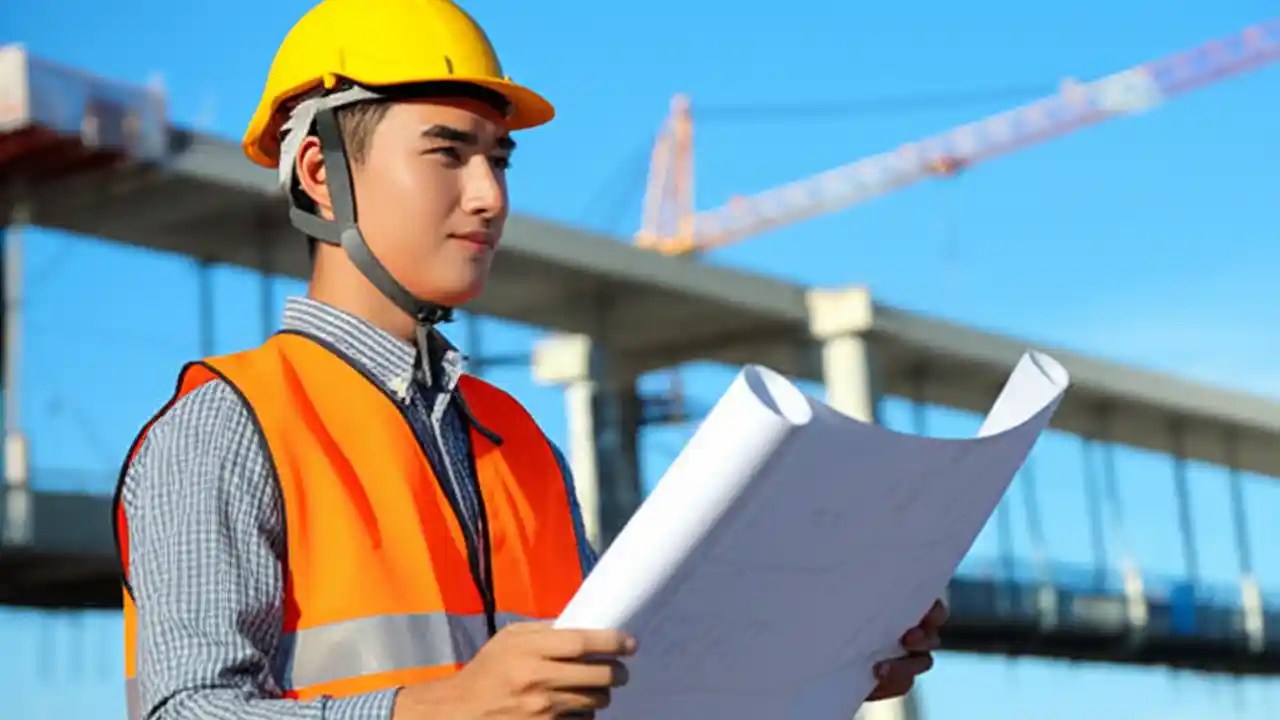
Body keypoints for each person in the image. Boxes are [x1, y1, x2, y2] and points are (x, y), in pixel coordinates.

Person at [111, 0, 947, 718]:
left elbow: (619, 692)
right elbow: (188, 708)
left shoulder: (520, 444)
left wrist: (820, 662)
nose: (490, 195)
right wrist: (437, 710)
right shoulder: (227, 427)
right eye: (448, 152)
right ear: (322, 173)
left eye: (499, 159)